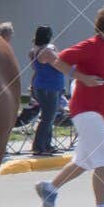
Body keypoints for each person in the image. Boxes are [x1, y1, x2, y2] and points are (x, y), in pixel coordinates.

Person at [33, 2, 104, 207]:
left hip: (101, 111)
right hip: (87, 109)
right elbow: (59, 59)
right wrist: (82, 78)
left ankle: (50, 188)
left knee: (85, 161)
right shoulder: (92, 45)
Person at [29, 25, 66, 157]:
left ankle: (47, 145)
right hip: (47, 89)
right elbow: (60, 65)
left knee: (49, 117)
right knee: (47, 118)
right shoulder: (47, 52)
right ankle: (39, 146)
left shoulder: (35, 50)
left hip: (47, 87)